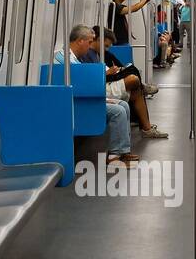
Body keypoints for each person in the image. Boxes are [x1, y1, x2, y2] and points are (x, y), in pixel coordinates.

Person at [58, 25, 139, 166]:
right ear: (80, 41)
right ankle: (114, 157)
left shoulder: (75, 59)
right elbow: (79, 88)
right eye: (89, 42)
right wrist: (103, 100)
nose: (90, 46)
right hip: (77, 104)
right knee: (118, 111)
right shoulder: (65, 60)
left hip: (84, 98)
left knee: (124, 105)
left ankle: (123, 151)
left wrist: (105, 99)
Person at [90, 26, 167, 137]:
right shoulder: (88, 54)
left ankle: (147, 129)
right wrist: (107, 73)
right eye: (105, 45)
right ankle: (142, 86)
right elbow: (92, 78)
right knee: (133, 79)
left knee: (136, 89)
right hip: (100, 87)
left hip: (104, 82)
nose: (106, 49)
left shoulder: (98, 53)